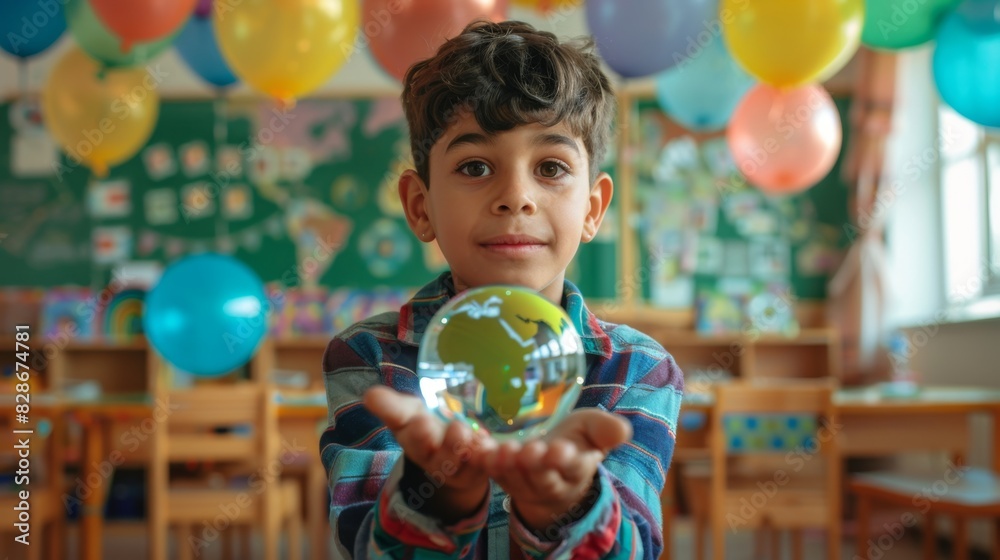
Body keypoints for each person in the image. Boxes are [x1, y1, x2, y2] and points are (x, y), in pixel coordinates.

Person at [320, 19, 684, 560]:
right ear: (421, 207)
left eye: (552, 167)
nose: (516, 196)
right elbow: (367, 548)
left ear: (592, 208)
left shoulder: (637, 368)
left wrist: (568, 503)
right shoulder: (372, 358)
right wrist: (439, 494)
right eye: (475, 166)